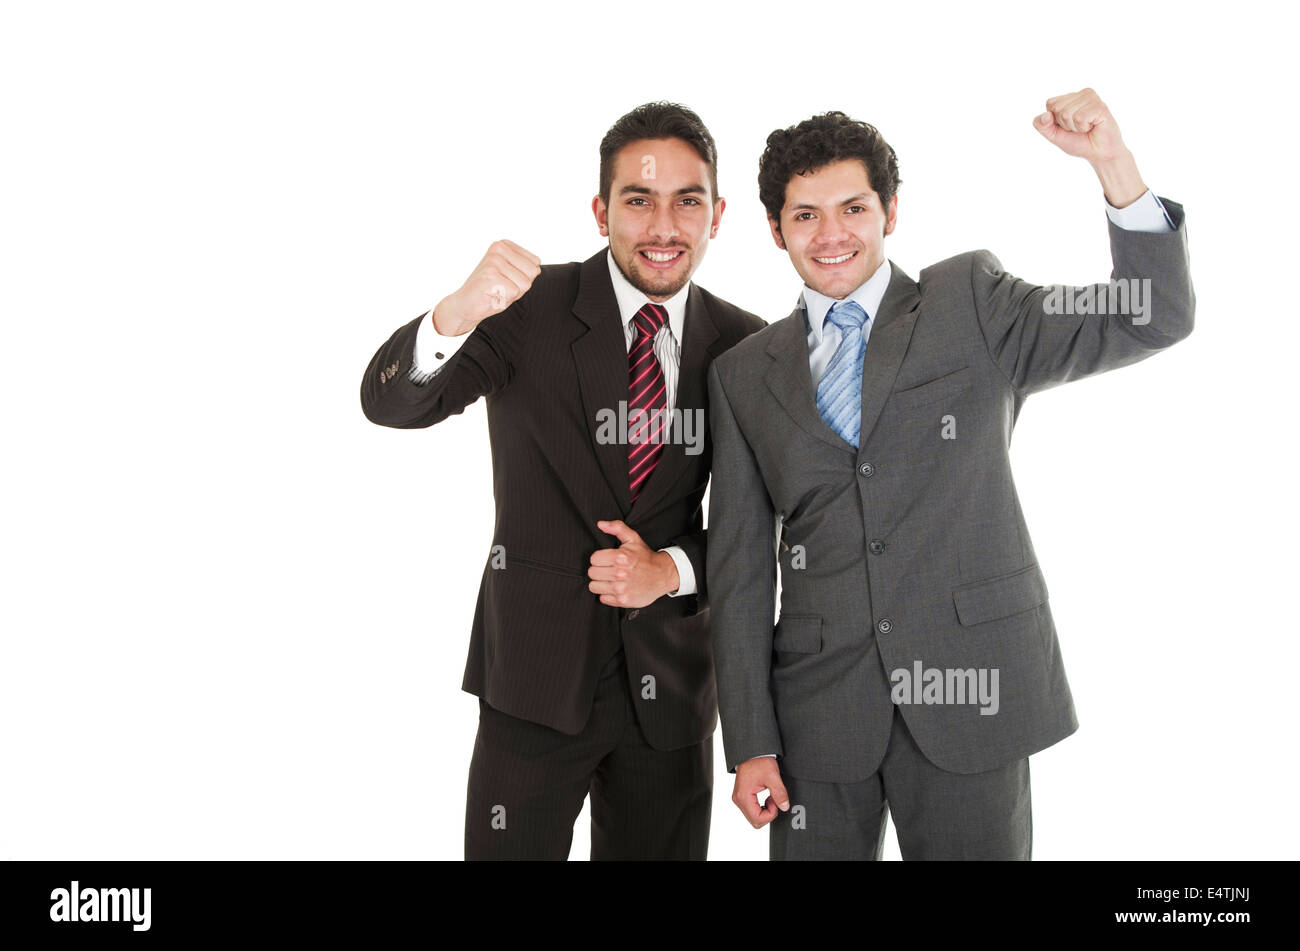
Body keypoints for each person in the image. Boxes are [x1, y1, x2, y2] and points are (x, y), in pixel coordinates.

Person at [706, 88, 1193, 860]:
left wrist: (1113, 164)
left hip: (974, 693)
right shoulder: (742, 374)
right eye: (805, 215)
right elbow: (737, 572)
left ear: (890, 211)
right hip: (817, 720)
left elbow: (1152, 314)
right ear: (775, 229)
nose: (831, 235)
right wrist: (750, 740)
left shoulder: (970, 303)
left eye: (854, 208)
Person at [360, 102, 765, 860]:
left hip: (671, 698)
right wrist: (454, 315)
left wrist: (670, 570)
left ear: (717, 215)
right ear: (600, 211)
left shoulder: (748, 346)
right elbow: (390, 405)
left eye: (687, 200)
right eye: (638, 200)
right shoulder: (527, 310)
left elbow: (766, 524)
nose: (664, 226)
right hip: (534, 685)